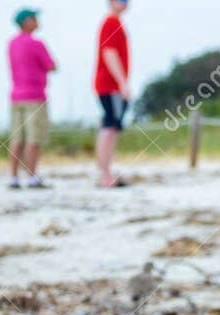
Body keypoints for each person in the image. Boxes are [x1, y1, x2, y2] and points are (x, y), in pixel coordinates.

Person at [8, 9, 57, 189]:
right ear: (27, 21)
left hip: (16, 96)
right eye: (34, 18)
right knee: (33, 139)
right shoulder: (36, 43)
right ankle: (31, 178)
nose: (37, 21)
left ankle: (13, 178)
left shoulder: (12, 44)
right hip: (34, 96)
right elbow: (51, 65)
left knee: (16, 139)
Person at [95, 0, 131, 188]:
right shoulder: (111, 23)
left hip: (110, 85)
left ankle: (106, 174)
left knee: (110, 127)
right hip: (110, 86)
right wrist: (122, 83)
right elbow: (109, 53)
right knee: (110, 128)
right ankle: (105, 176)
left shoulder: (115, 22)